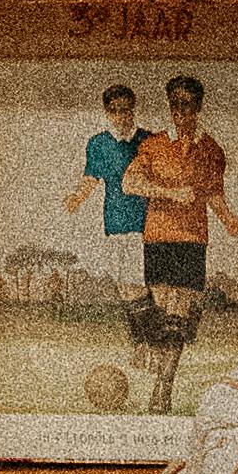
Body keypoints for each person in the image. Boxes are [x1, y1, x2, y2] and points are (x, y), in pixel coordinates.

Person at [128, 75, 238, 414]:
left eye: (187, 104)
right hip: (159, 235)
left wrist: (228, 218)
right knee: (161, 312)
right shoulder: (154, 144)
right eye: (175, 103)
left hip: (193, 238)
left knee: (179, 314)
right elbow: (130, 182)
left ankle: (164, 387)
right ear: (169, 105)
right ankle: (155, 374)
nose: (181, 110)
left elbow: (214, 194)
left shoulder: (211, 150)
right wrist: (169, 192)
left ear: (198, 106)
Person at [66, 86, 156, 320]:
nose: (121, 116)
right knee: (124, 287)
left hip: (144, 222)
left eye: (125, 110)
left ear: (133, 110)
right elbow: (91, 177)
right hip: (114, 221)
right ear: (107, 112)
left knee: (141, 284)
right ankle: (141, 341)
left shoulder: (148, 140)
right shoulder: (98, 143)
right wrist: (77, 197)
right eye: (114, 110)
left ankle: (148, 343)